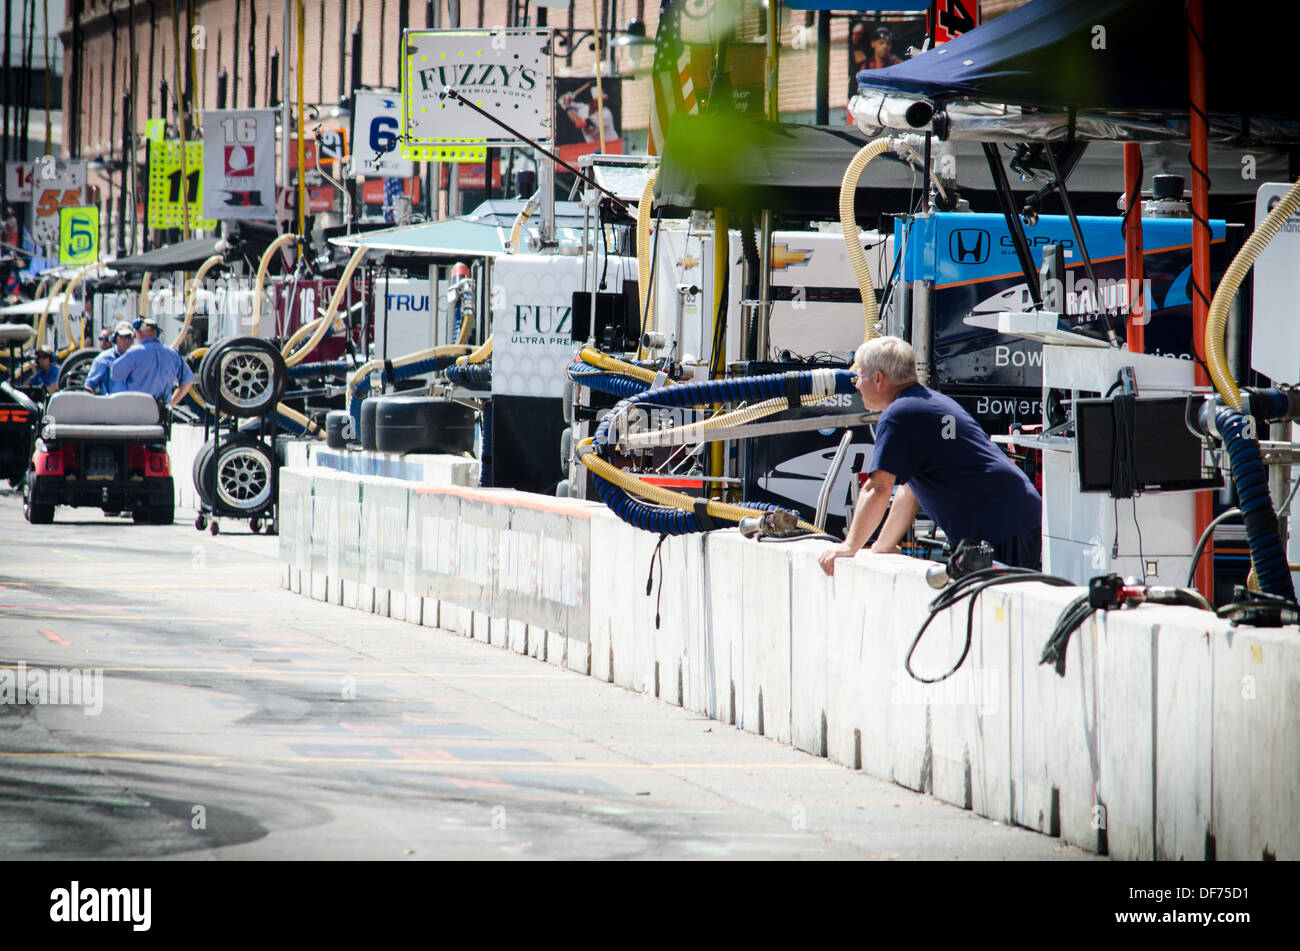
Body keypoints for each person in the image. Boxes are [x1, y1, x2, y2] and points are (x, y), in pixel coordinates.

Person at [818, 336, 1042, 576]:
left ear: (878, 378)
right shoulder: (925, 402)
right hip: (1014, 518)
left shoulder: (899, 413)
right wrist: (882, 546)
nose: (856, 384)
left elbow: (878, 487)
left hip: (1000, 527)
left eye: (859, 376)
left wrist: (849, 546)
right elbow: (910, 491)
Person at [109, 316, 195, 406]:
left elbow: (115, 374)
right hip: (161, 413)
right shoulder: (172, 354)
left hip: (135, 411)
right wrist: (172, 403)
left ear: (139, 333)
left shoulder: (134, 352)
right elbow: (188, 380)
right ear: (157, 333)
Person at [84, 322, 136, 394]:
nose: (127, 341)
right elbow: (89, 386)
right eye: (123, 337)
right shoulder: (104, 359)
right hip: (110, 403)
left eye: (129, 337)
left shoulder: (137, 358)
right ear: (115, 339)